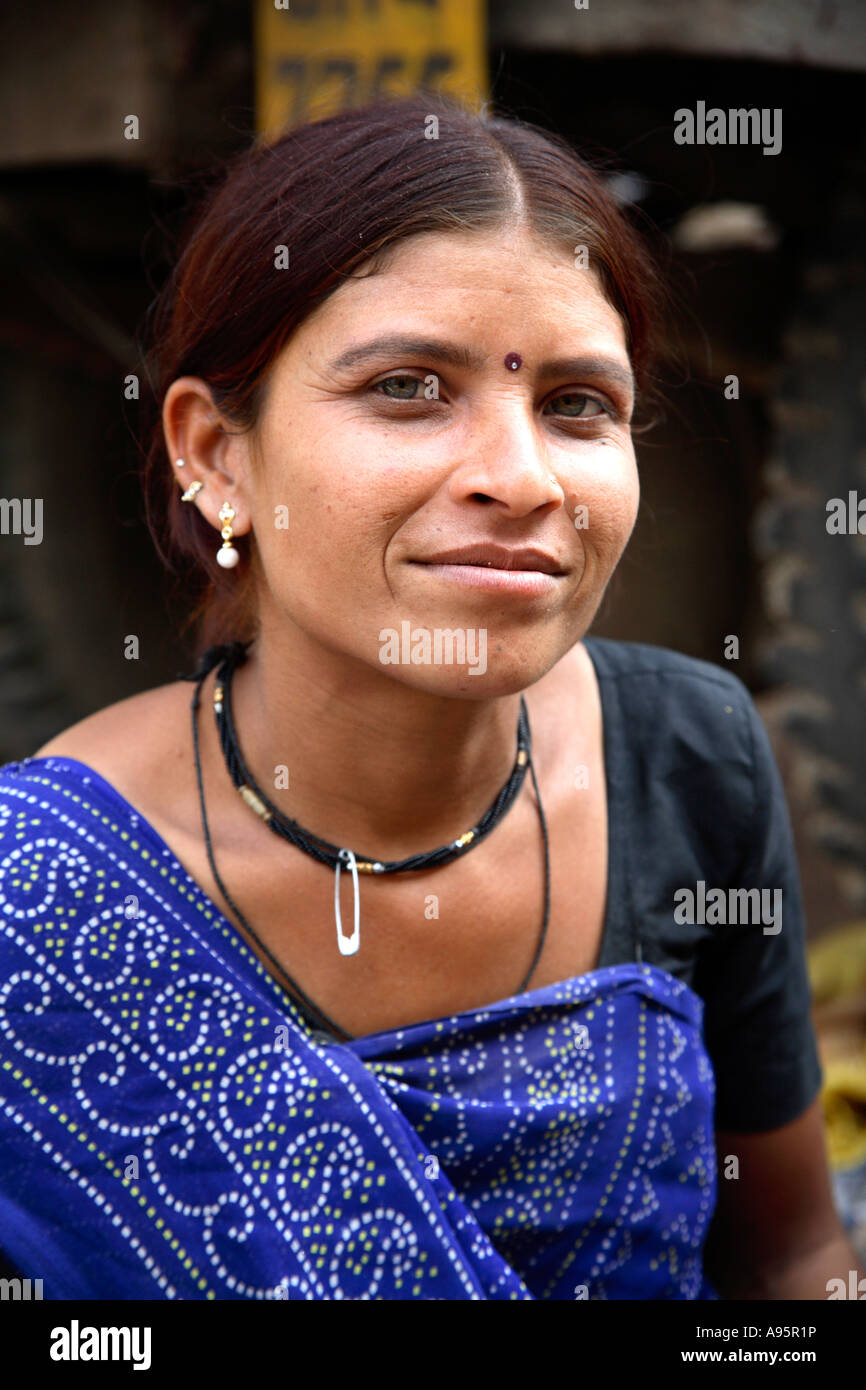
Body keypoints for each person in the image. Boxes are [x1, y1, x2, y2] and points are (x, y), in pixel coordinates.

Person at [0, 92, 860, 1301]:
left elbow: (788, 1255)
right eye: (407, 387)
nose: (518, 478)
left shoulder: (687, 751)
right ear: (213, 455)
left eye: (575, 405)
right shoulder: (35, 898)